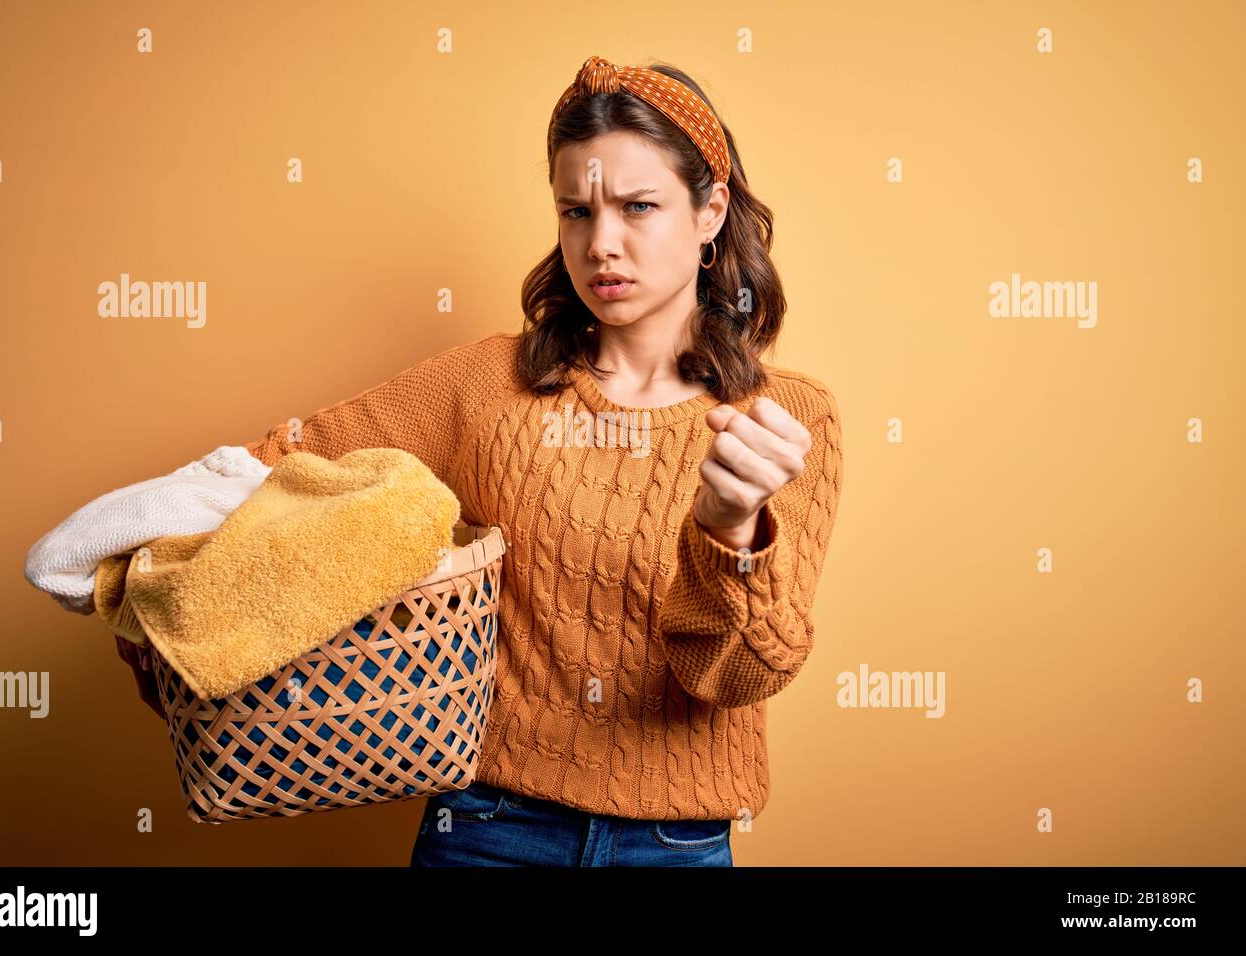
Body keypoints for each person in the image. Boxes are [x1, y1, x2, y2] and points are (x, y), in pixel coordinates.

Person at [116, 54, 844, 866]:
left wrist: (729, 529)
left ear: (709, 213)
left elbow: (739, 678)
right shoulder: (487, 386)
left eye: (639, 207)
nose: (602, 244)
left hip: (675, 846)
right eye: (576, 211)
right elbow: (279, 467)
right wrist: (142, 572)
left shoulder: (786, 419)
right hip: (488, 831)